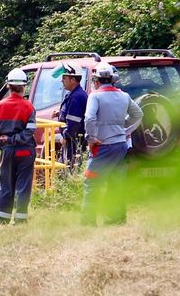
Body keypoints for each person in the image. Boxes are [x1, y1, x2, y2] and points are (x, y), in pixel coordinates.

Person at [82, 64, 143, 226]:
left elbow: (89, 118)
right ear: (113, 80)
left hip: (102, 146)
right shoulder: (124, 96)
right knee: (117, 182)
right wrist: (125, 130)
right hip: (120, 145)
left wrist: (91, 137)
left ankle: (88, 221)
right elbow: (139, 114)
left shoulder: (95, 96)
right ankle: (117, 219)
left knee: (92, 182)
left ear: (96, 80)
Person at [0, 68, 39, 225]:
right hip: (25, 151)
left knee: (6, 184)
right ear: (24, 86)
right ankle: (20, 219)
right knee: (23, 186)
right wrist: (15, 139)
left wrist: (3, 144)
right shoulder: (28, 107)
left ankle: (1, 218)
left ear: (7, 86)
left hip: (7, 151)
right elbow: (30, 131)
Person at [55, 63, 88, 168]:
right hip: (72, 142)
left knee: (69, 170)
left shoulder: (77, 96)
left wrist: (65, 136)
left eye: (64, 78)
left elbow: (74, 122)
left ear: (73, 80)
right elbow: (70, 114)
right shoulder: (72, 94)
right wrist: (60, 114)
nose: (62, 80)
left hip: (74, 143)